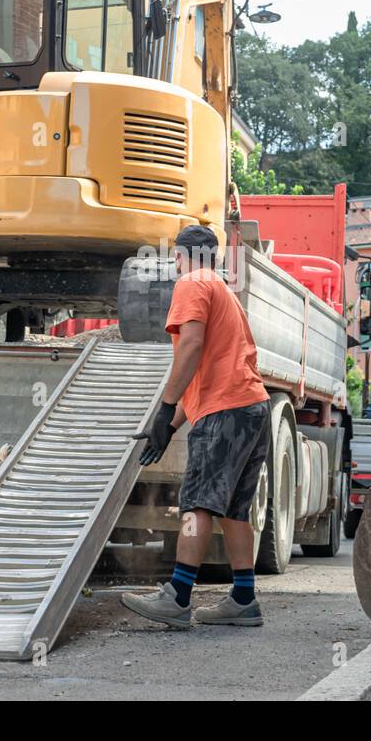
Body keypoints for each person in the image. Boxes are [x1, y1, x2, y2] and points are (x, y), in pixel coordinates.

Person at [120, 225, 271, 630]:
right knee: (234, 509)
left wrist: (164, 405)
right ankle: (243, 599)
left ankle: (177, 596)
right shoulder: (223, 290)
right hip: (251, 407)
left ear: (183, 255)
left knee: (198, 503)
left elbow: (191, 346)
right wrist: (169, 425)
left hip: (226, 412)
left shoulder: (191, 283)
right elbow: (209, 375)